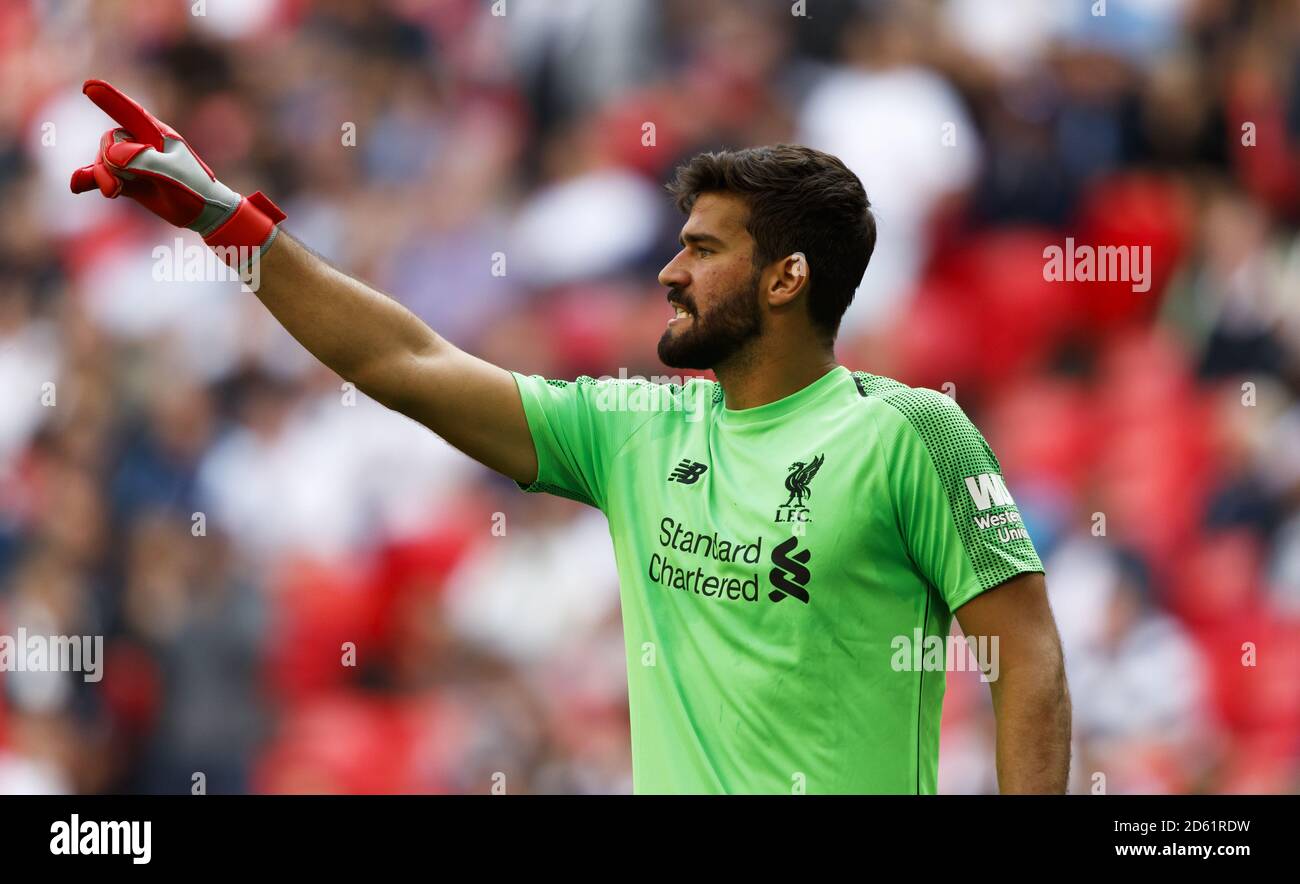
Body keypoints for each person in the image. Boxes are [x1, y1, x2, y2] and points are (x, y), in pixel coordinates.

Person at [71, 79, 1071, 794]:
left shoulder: (909, 434)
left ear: (785, 278)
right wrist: (226, 221)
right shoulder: (634, 429)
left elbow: (1025, 657)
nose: (669, 272)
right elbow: (405, 363)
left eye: (702, 248)